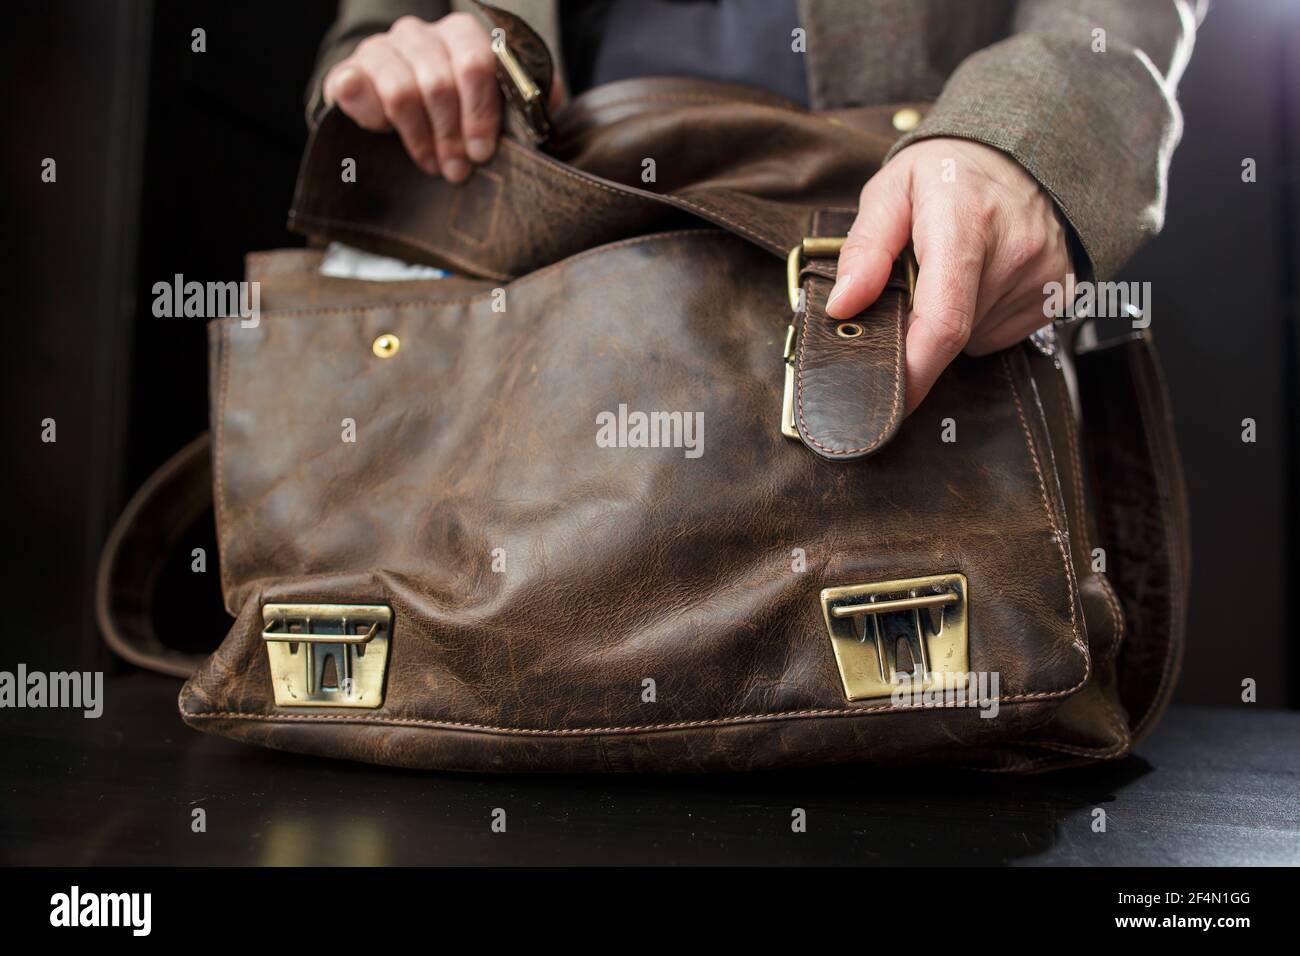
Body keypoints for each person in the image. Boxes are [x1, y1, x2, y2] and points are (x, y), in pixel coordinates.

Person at [306, 0, 1202, 412]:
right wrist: (408, 60)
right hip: (537, 322)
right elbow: (370, 43)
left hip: (906, 288)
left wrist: (1019, 140)